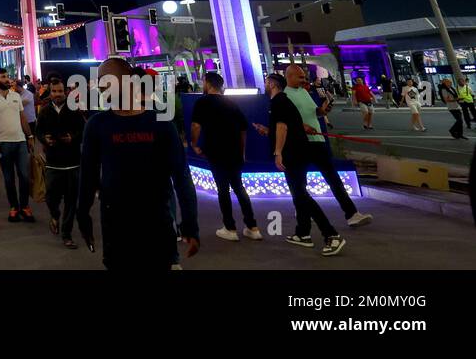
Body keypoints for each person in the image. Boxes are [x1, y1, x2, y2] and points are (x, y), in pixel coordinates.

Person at [76, 57, 199, 270]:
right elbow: (88, 174)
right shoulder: (97, 125)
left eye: (107, 79)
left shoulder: (162, 125)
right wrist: (82, 213)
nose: (101, 86)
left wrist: (190, 223)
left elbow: (182, 177)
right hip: (116, 228)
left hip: (157, 227)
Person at [254, 72, 345, 256]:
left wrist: (278, 152)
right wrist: (268, 131)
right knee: (298, 194)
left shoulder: (278, 102)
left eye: (266, 82)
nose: (264, 85)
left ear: (272, 84)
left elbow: (283, 127)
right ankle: (303, 234)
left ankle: (331, 234)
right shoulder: (284, 101)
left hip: (293, 154)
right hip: (298, 152)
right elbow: (285, 127)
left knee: (302, 195)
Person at [285, 65, 371, 229]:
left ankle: (352, 213)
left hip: (318, 140)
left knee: (333, 178)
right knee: (299, 181)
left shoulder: (304, 92)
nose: (304, 80)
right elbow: (285, 119)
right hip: (300, 143)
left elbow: (313, 112)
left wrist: (323, 110)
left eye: (304, 77)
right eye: (300, 77)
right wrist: (301, 126)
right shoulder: (285, 95)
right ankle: (302, 211)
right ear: (289, 76)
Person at [189, 71, 260, 242]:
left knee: (223, 189)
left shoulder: (202, 102)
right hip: (234, 151)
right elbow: (243, 128)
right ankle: (252, 227)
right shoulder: (231, 103)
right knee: (239, 187)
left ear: (208, 83)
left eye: (203, 81)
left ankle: (230, 227)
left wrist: (194, 144)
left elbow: (196, 126)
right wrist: (241, 151)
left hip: (215, 151)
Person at [35, 73, 84, 248]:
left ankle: (67, 234)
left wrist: (73, 137)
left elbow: (82, 130)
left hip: (72, 162)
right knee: (50, 197)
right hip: (53, 162)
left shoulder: (74, 109)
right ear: (50, 91)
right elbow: (38, 131)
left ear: (66, 91)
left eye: (60, 91)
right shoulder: (45, 110)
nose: (57, 94)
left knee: (71, 201)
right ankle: (54, 215)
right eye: (54, 91)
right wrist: (44, 139)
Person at [0, 67, 36, 223]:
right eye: (3, 76)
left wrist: (30, 136)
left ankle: (25, 206)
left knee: (25, 176)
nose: (7, 79)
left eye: (8, 76)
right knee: (8, 178)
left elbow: (22, 118)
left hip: (20, 141)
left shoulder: (16, 96)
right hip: (2, 143)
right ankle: (14, 207)